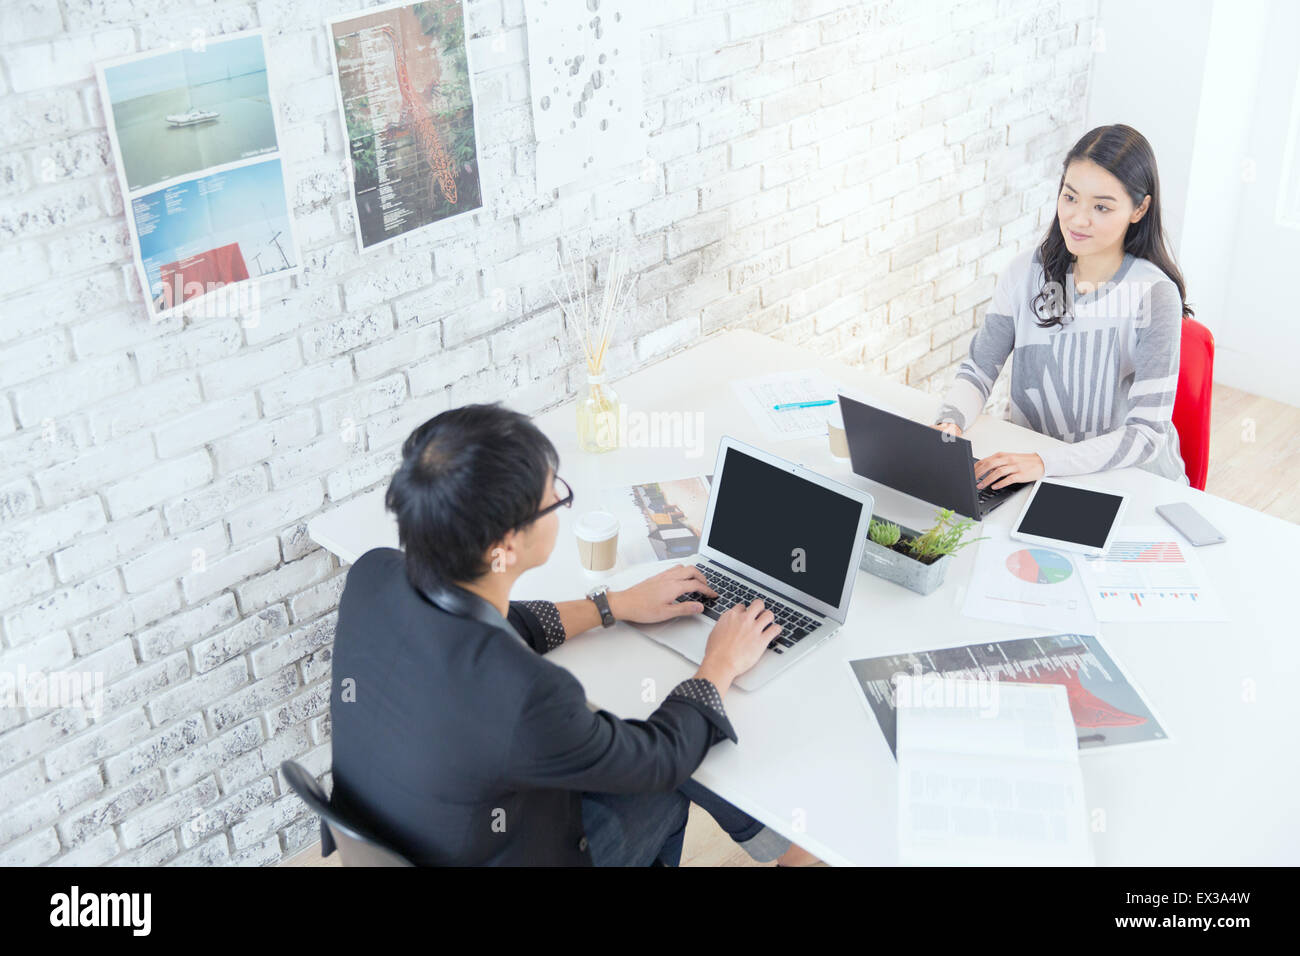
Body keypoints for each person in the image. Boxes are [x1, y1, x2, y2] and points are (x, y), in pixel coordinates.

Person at [327, 402, 815, 866]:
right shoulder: (525, 694)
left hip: (427, 834)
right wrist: (721, 663)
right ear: (507, 546)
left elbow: (500, 622)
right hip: (516, 849)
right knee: (673, 763)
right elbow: (659, 759)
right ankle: (790, 847)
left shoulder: (374, 576)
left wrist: (614, 604)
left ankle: (775, 840)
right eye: (553, 497)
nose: (560, 502)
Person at [934, 124, 1194, 488]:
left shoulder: (1153, 294)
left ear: (1140, 209)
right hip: (1036, 470)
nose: (1077, 218)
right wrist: (950, 422)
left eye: (1102, 206)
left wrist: (1045, 462)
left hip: (1126, 482)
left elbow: (1147, 433)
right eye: (1070, 197)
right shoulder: (1025, 272)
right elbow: (979, 368)